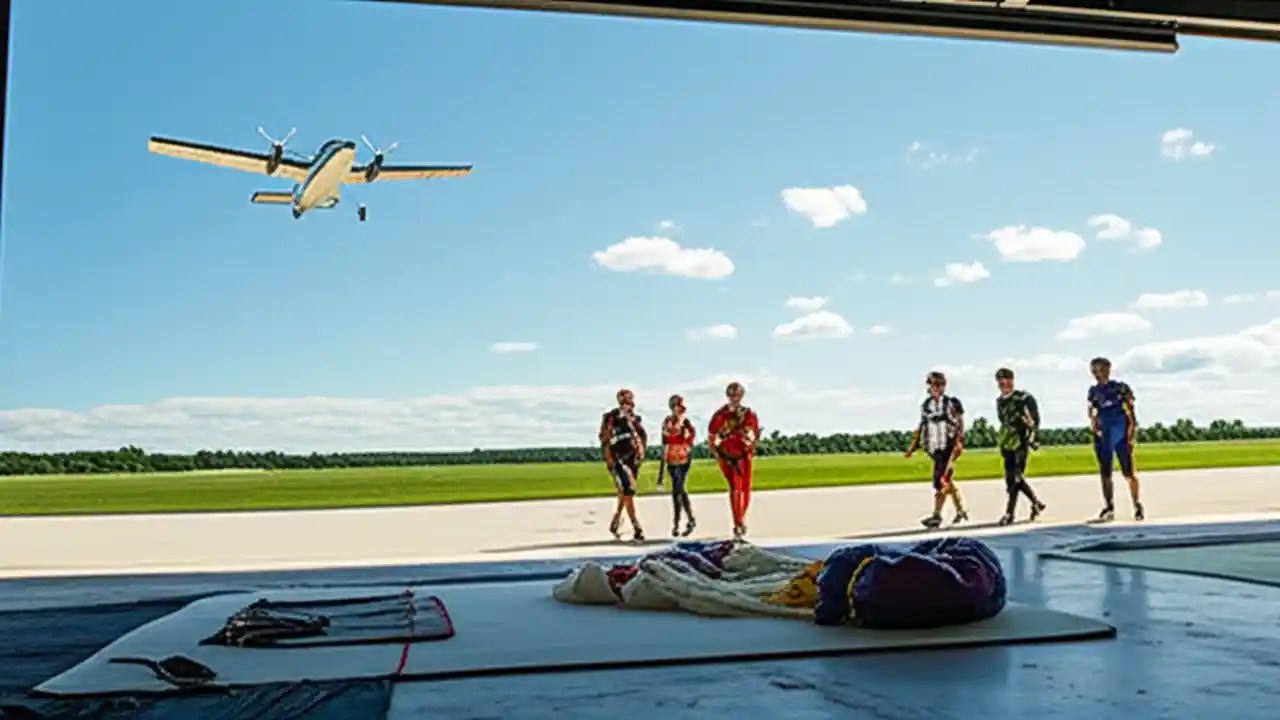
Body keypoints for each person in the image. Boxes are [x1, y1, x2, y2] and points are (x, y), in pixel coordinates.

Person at [904, 371, 969, 529]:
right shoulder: (926, 405)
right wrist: (913, 446)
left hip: (949, 446)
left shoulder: (951, 403)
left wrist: (959, 442)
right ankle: (961, 510)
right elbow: (922, 425)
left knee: (941, 481)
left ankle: (937, 516)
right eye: (931, 384)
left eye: (938, 384)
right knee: (946, 480)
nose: (934, 387)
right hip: (934, 448)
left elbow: (960, 423)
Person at [1088, 357, 1145, 522]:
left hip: (1120, 432)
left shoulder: (1120, 388)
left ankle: (1137, 504)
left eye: (1100, 369)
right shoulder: (1093, 391)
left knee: (1128, 473)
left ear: (1108, 369)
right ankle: (1109, 506)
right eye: (1094, 371)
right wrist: (1094, 424)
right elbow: (1091, 409)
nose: (1098, 374)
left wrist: (1131, 432)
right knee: (1105, 473)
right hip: (1103, 434)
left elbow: (1131, 410)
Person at [994, 367, 1047, 526]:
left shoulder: (1023, 398)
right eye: (1000, 381)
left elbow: (1034, 420)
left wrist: (1033, 436)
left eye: (1007, 379)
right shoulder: (1000, 401)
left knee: (1016, 478)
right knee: (1011, 480)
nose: (1004, 383)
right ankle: (1036, 503)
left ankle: (1009, 513)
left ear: (1012, 380)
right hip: (1007, 442)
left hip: (1021, 442)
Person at [708, 381, 759, 539]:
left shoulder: (748, 413)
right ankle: (738, 523)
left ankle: (740, 519)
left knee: (745, 489)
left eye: (737, 395)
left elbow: (752, 433)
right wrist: (717, 452)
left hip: (743, 456)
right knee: (735, 488)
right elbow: (712, 435)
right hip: (728, 456)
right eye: (731, 395)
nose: (734, 398)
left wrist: (748, 439)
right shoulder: (720, 414)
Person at [599, 388, 648, 542]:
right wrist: (609, 460)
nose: (628, 404)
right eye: (624, 401)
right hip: (617, 458)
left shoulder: (635, 419)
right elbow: (604, 438)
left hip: (632, 459)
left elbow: (642, 437)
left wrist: (641, 452)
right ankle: (637, 527)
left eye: (629, 401)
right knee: (627, 489)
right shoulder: (611, 418)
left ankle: (617, 518)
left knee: (625, 492)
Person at [661, 394, 697, 538]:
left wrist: (677, 436)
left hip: (683, 457)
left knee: (677, 489)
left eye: (679, 407)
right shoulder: (667, 421)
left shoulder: (685, 422)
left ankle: (676, 523)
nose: (677, 409)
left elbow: (687, 438)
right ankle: (691, 519)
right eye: (675, 407)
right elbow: (665, 438)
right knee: (679, 489)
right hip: (671, 457)